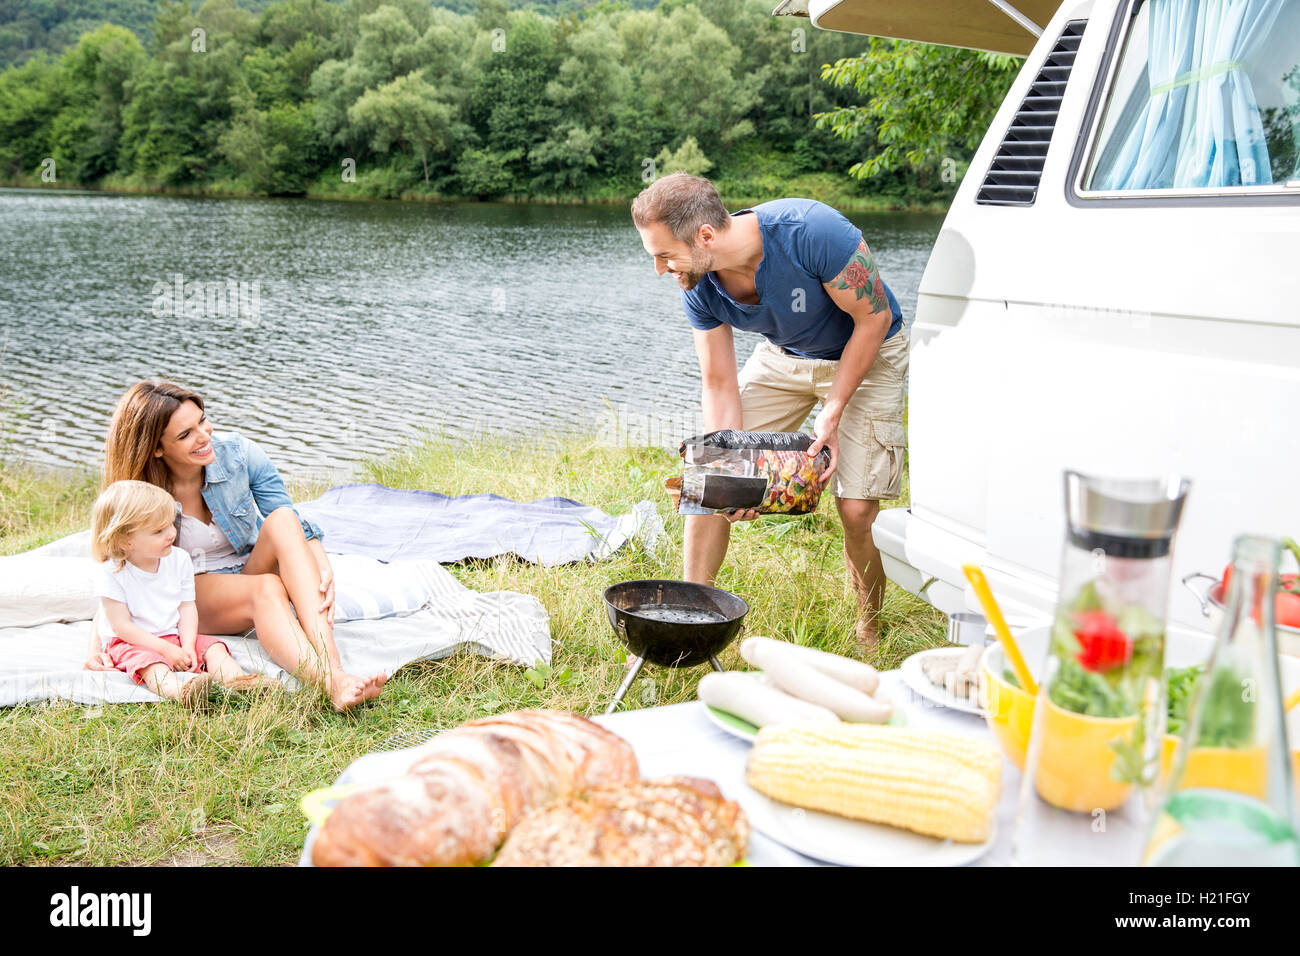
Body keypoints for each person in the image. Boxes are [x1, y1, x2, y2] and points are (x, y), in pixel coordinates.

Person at [631, 173, 909, 653]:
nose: (660, 268)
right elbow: (718, 381)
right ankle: (691, 619)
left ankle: (869, 629)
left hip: (869, 351)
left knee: (857, 509)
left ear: (705, 236)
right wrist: (730, 472)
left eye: (664, 254)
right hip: (786, 357)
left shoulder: (812, 231)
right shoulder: (697, 281)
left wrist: (834, 409)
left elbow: (874, 317)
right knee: (708, 478)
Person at [84, 380, 386, 711]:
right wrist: (96, 643)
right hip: (193, 591)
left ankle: (335, 666)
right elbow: (115, 571)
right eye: (185, 435)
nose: (203, 436)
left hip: (244, 567)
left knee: (283, 519)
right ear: (157, 448)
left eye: (202, 420)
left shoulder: (238, 454)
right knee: (266, 587)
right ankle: (332, 684)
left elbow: (291, 520)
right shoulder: (140, 493)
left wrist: (320, 563)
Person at [89, 480, 274, 705]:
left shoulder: (179, 559)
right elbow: (122, 627)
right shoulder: (113, 572)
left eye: (170, 524)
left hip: (172, 635)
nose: (171, 534)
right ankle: (183, 692)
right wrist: (165, 650)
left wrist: (186, 646)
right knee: (152, 665)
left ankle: (239, 681)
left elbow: (186, 607)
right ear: (125, 541)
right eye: (158, 531)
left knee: (213, 648)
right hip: (130, 642)